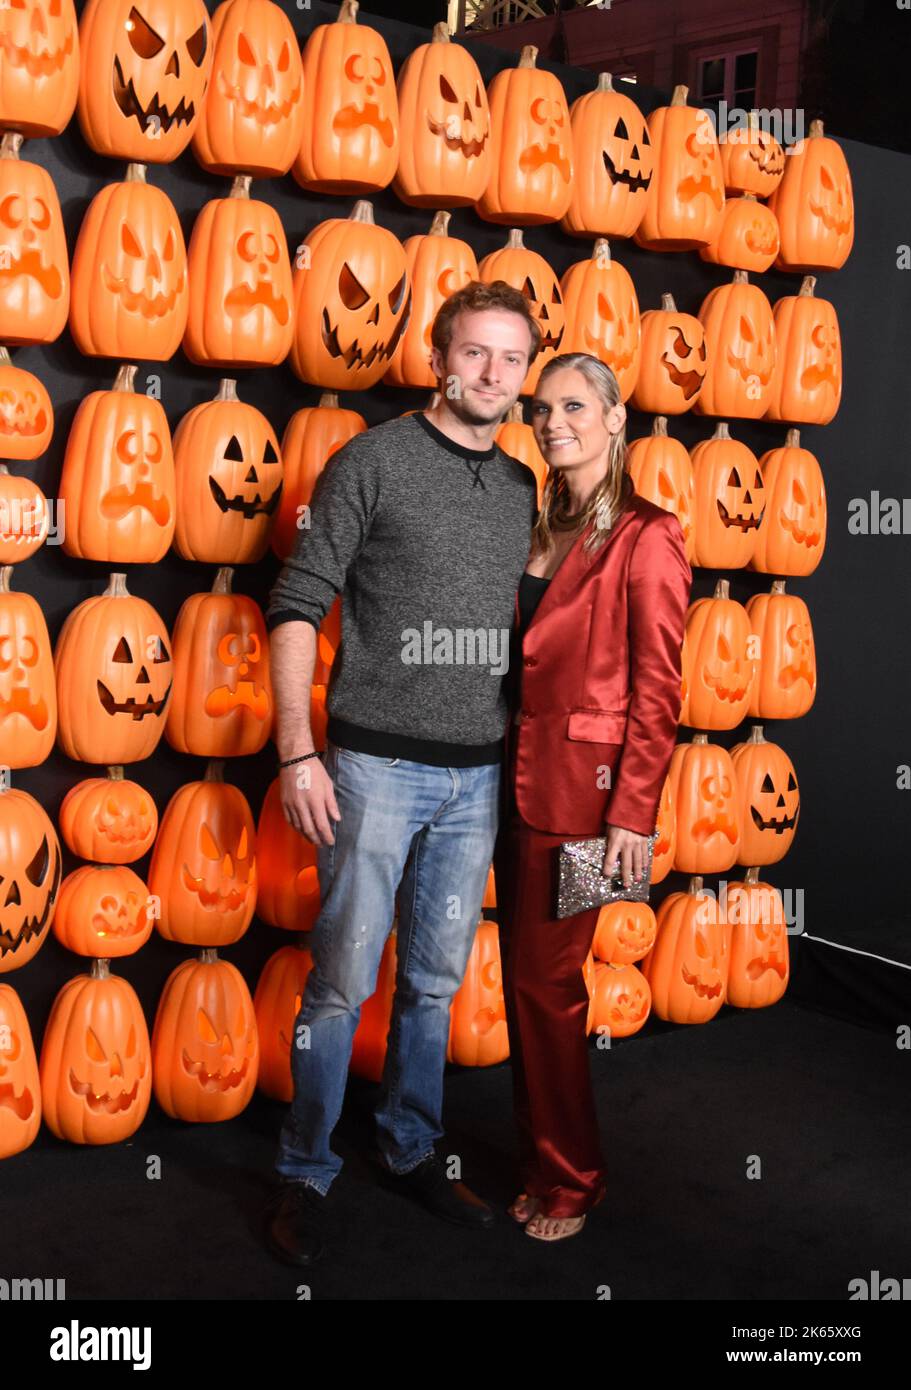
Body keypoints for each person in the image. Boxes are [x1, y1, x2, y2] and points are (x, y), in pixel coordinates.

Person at [262, 281, 541, 1266]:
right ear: (437, 356)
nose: (491, 374)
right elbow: (296, 604)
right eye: (474, 353)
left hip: (477, 780)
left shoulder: (520, 491)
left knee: (432, 982)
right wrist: (298, 749)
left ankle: (410, 1146)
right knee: (338, 984)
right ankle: (303, 1170)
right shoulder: (368, 462)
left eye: (510, 359)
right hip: (372, 768)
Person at [493, 352, 692, 1243]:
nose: (551, 421)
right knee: (523, 983)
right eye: (540, 408)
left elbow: (658, 689)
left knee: (549, 987)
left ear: (616, 421)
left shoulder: (648, 534)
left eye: (574, 406)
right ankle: (541, 1156)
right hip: (498, 779)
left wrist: (631, 814)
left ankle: (574, 1179)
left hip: (585, 798)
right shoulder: (533, 525)